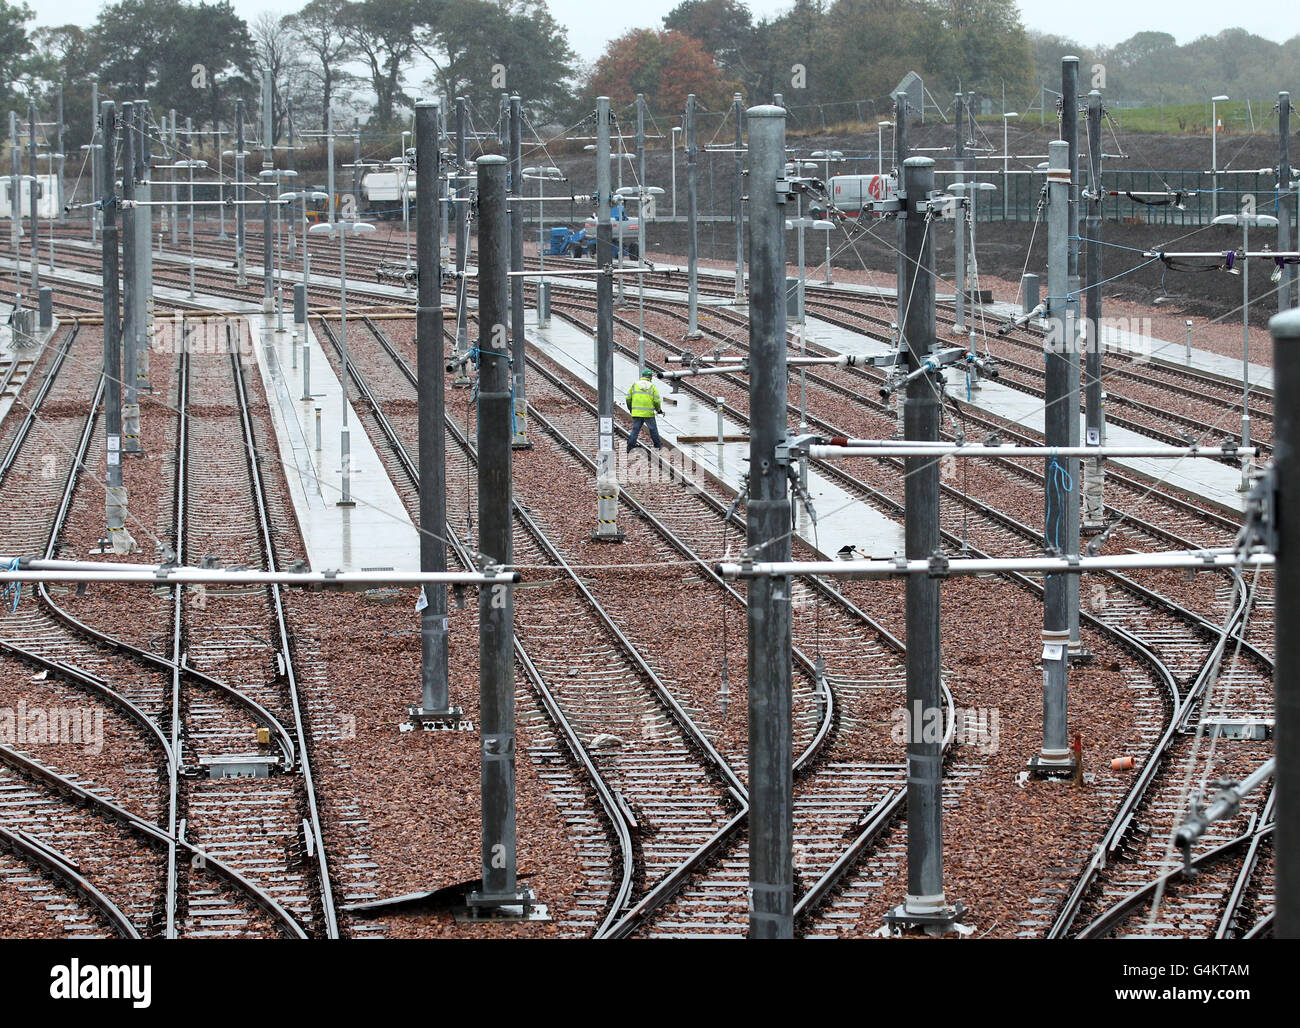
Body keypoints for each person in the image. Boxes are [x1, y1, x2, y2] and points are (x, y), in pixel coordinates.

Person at [625, 368, 663, 452]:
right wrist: (658, 410)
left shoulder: (635, 385)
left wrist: (630, 408)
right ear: (650, 378)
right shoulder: (652, 386)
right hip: (648, 413)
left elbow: (628, 398)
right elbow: (656, 400)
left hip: (637, 412)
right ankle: (658, 445)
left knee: (635, 429)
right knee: (653, 429)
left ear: (642, 376)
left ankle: (630, 446)